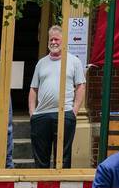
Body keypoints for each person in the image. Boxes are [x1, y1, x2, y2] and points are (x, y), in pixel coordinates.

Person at [28, 26, 86, 169]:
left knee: (63, 158)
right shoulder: (41, 63)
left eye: (56, 39)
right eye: (51, 39)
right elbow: (33, 88)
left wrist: (75, 110)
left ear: (63, 41)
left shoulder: (74, 61)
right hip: (41, 115)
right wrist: (32, 113)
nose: (53, 42)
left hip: (65, 113)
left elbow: (80, 86)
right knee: (41, 159)